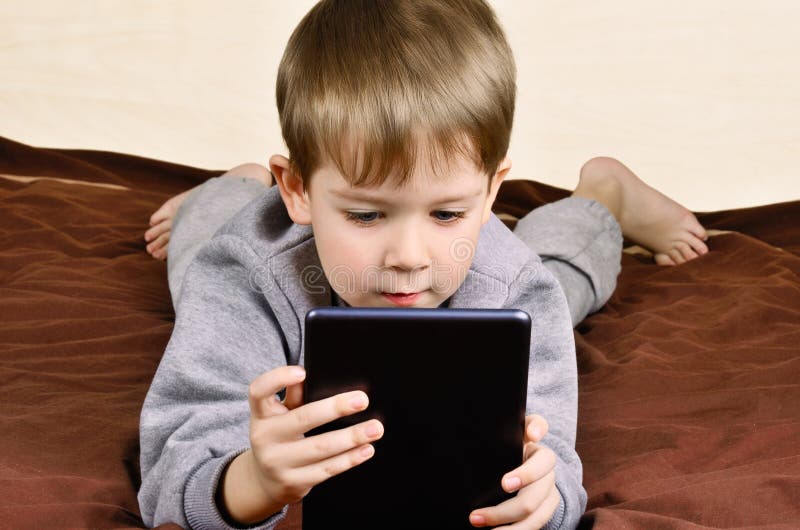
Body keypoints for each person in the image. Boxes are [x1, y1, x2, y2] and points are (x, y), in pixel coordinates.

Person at [138, 1, 709, 529]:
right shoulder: (244, 271)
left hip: (492, 268)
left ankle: (602, 195)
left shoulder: (517, 288)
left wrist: (545, 502)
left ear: (490, 194)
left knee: (562, 277)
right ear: (298, 191)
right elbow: (170, 471)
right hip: (258, 244)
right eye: (366, 214)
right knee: (196, 263)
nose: (409, 258)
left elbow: (558, 479)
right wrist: (253, 483)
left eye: (447, 212)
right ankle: (236, 184)